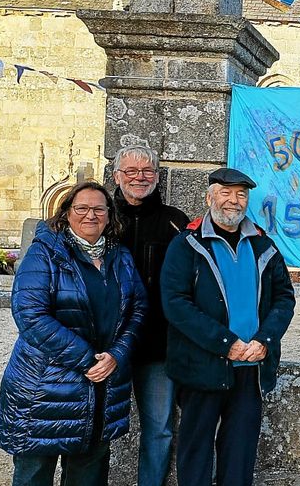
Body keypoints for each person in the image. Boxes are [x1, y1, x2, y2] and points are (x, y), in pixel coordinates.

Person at [0, 182, 147, 486]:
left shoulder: (120, 256)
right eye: (82, 208)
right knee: (34, 475)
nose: (90, 215)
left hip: (101, 389)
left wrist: (117, 355)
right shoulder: (46, 253)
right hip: (45, 389)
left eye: (99, 209)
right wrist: (87, 359)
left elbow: (139, 309)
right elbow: (30, 315)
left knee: (88, 476)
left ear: (109, 215)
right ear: (67, 213)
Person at [160, 168, 296, 486]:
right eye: (225, 192)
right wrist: (226, 343)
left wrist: (264, 340)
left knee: (240, 453)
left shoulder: (264, 246)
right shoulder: (187, 245)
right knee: (196, 451)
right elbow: (176, 305)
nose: (233, 201)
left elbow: (284, 299)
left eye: (241, 194)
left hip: (250, 368)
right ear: (209, 198)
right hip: (201, 367)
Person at [111, 145, 189, 486]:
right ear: (117, 176)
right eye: (131, 171)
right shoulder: (101, 218)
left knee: (158, 429)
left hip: (157, 346)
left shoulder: (175, 221)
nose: (139, 178)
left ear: (158, 177)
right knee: (94, 423)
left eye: (147, 172)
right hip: (107, 344)